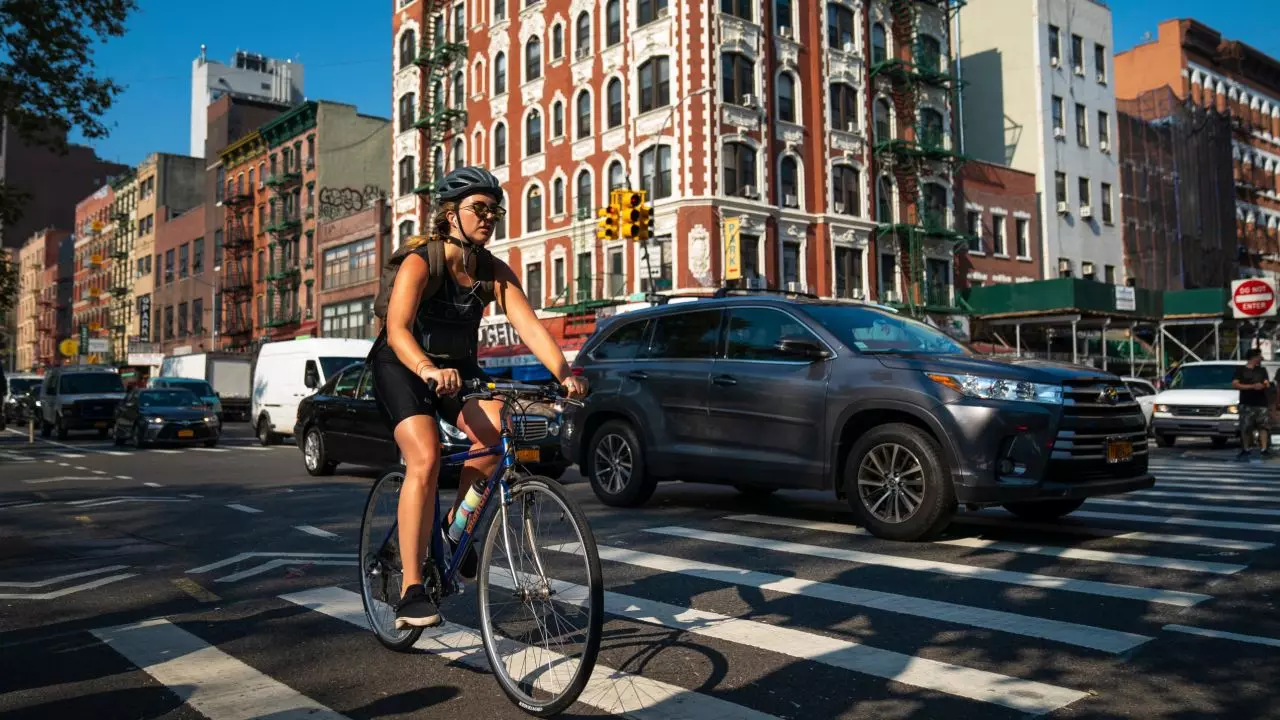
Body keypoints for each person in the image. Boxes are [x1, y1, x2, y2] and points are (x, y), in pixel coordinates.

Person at [368, 166, 588, 629]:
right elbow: (397, 329)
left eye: (495, 210)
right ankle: (411, 588)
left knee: (497, 428)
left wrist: (565, 373)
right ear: (450, 215)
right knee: (425, 457)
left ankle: (454, 530)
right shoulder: (420, 262)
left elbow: (529, 326)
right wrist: (427, 368)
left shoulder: (491, 270)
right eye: (479, 208)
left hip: (458, 370)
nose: (490, 217)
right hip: (403, 365)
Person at [1232, 348, 1271, 459]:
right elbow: (1235, 384)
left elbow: (1267, 383)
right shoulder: (1240, 370)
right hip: (1246, 402)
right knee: (1245, 426)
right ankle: (1245, 448)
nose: (1261, 358)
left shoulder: (1262, 370)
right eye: (1259, 356)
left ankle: (1263, 449)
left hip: (1261, 402)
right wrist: (1251, 387)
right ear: (1254, 357)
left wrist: (1263, 385)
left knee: (1263, 426)